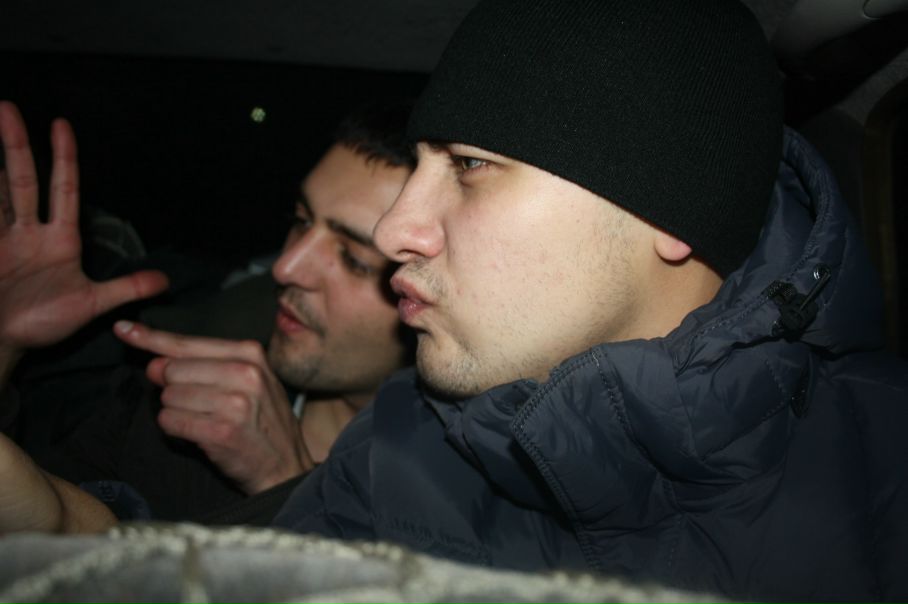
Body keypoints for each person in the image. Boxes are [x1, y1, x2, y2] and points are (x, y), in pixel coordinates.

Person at [2, 1, 908, 602]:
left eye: (470, 164)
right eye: (422, 162)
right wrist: (46, 518)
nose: (397, 228)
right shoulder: (412, 441)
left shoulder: (884, 479)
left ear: (667, 207)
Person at [0, 98, 415, 523]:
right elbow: (30, 517)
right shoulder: (176, 400)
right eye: (301, 220)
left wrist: (286, 487)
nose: (285, 267)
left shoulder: (444, 502)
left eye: (354, 259)